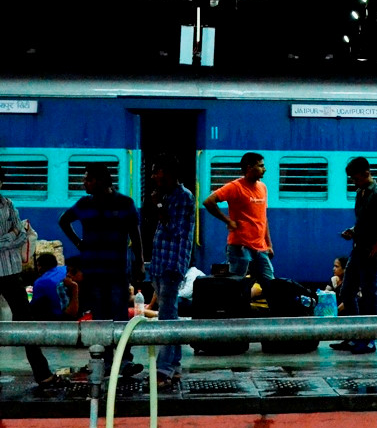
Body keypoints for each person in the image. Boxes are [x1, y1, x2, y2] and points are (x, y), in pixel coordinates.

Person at [59, 162, 145, 378]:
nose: (84, 183)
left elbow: (136, 236)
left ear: (100, 180)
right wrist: (79, 243)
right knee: (102, 316)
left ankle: (124, 360)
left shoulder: (125, 203)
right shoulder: (85, 203)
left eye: (88, 179)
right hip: (96, 272)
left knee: (118, 315)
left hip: (115, 271)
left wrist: (139, 262)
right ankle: (108, 361)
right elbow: (64, 221)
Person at [329, 156, 377, 355]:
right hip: (357, 249)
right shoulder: (360, 193)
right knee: (346, 292)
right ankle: (354, 335)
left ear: (366, 173)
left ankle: (369, 339)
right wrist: (353, 230)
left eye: (355, 178)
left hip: (371, 253)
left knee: (370, 295)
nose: (354, 182)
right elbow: (364, 220)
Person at [0, 167, 65, 389]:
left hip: (10, 272)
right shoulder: (7, 207)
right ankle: (43, 374)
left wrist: (4, 240)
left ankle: (43, 373)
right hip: (8, 270)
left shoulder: (7, 204)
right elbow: (16, 235)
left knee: (26, 322)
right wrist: (10, 237)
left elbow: (22, 235)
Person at [147, 153, 195, 388]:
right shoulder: (167, 196)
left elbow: (174, 229)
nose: (153, 176)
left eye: (158, 171)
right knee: (170, 315)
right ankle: (174, 365)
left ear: (170, 173)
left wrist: (157, 205)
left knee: (166, 317)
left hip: (171, 265)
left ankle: (163, 370)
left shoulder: (183, 197)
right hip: (160, 264)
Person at [203, 152, 275, 284]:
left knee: (270, 284)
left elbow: (264, 218)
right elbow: (209, 202)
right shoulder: (235, 187)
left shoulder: (263, 188)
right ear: (249, 168)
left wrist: (269, 244)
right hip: (240, 247)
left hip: (260, 248)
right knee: (236, 287)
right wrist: (227, 220)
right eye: (261, 166)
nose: (264, 169)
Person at [31, 253, 84, 321]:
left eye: (73, 272)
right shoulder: (64, 273)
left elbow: (34, 304)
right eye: (68, 272)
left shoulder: (39, 282)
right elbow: (70, 314)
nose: (68, 275)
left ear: (40, 266)